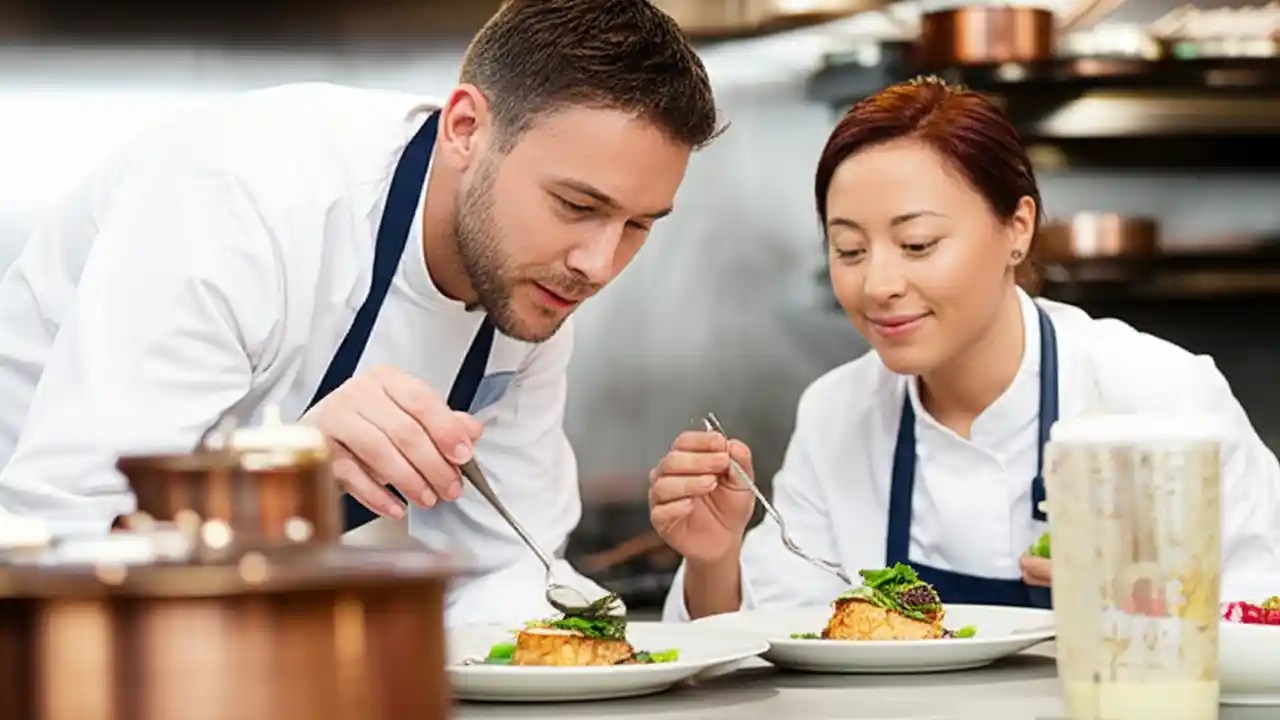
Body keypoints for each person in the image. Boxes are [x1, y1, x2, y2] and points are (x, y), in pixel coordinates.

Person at [0, 0, 720, 624]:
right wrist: (277, 477)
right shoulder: (237, 201)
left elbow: (503, 571)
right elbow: (66, 537)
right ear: (466, 127)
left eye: (638, 225)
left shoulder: (533, 285)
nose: (599, 264)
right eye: (576, 205)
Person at [649, 76, 1280, 621]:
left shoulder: (1161, 397)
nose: (879, 285)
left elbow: (1265, 608)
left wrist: (1141, 597)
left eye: (918, 244)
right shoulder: (837, 413)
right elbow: (773, 639)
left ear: (1018, 227)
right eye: (849, 250)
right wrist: (714, 559)